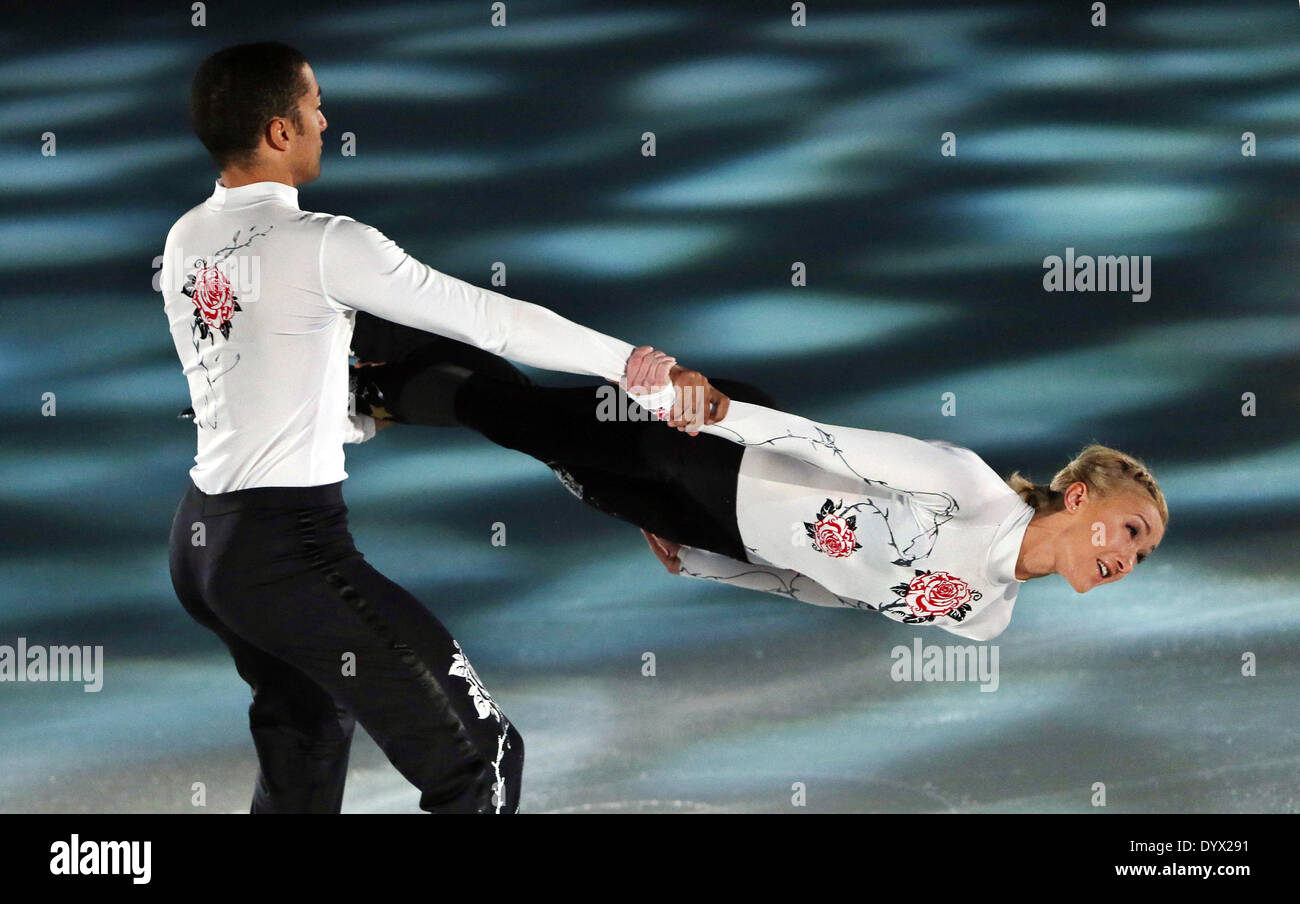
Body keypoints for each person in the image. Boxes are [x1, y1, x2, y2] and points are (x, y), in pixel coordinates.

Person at [161, 42, 718, 814]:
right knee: (481, 761)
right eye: (313, 103)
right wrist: (638, 367)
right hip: (288, 556)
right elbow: (491, 321)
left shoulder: (186, 239)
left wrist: (344, 417)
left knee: (309, 733)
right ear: (279, 131)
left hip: (203, 545)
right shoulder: (327, 243)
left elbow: (244, 364)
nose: (326, 118)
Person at [350, 335, 1169, 642]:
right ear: (1078, 499)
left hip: (717, 527)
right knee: (533, 423)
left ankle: (398, 375)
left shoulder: (984, 620)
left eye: (1146, 550)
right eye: (1132, 529)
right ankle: (379, 359)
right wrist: (711, 411)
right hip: (724, 455)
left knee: (537, 434)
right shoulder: (967, 485)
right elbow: (826, 444)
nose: (1132, 555)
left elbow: (835, 591)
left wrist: (713, 566)